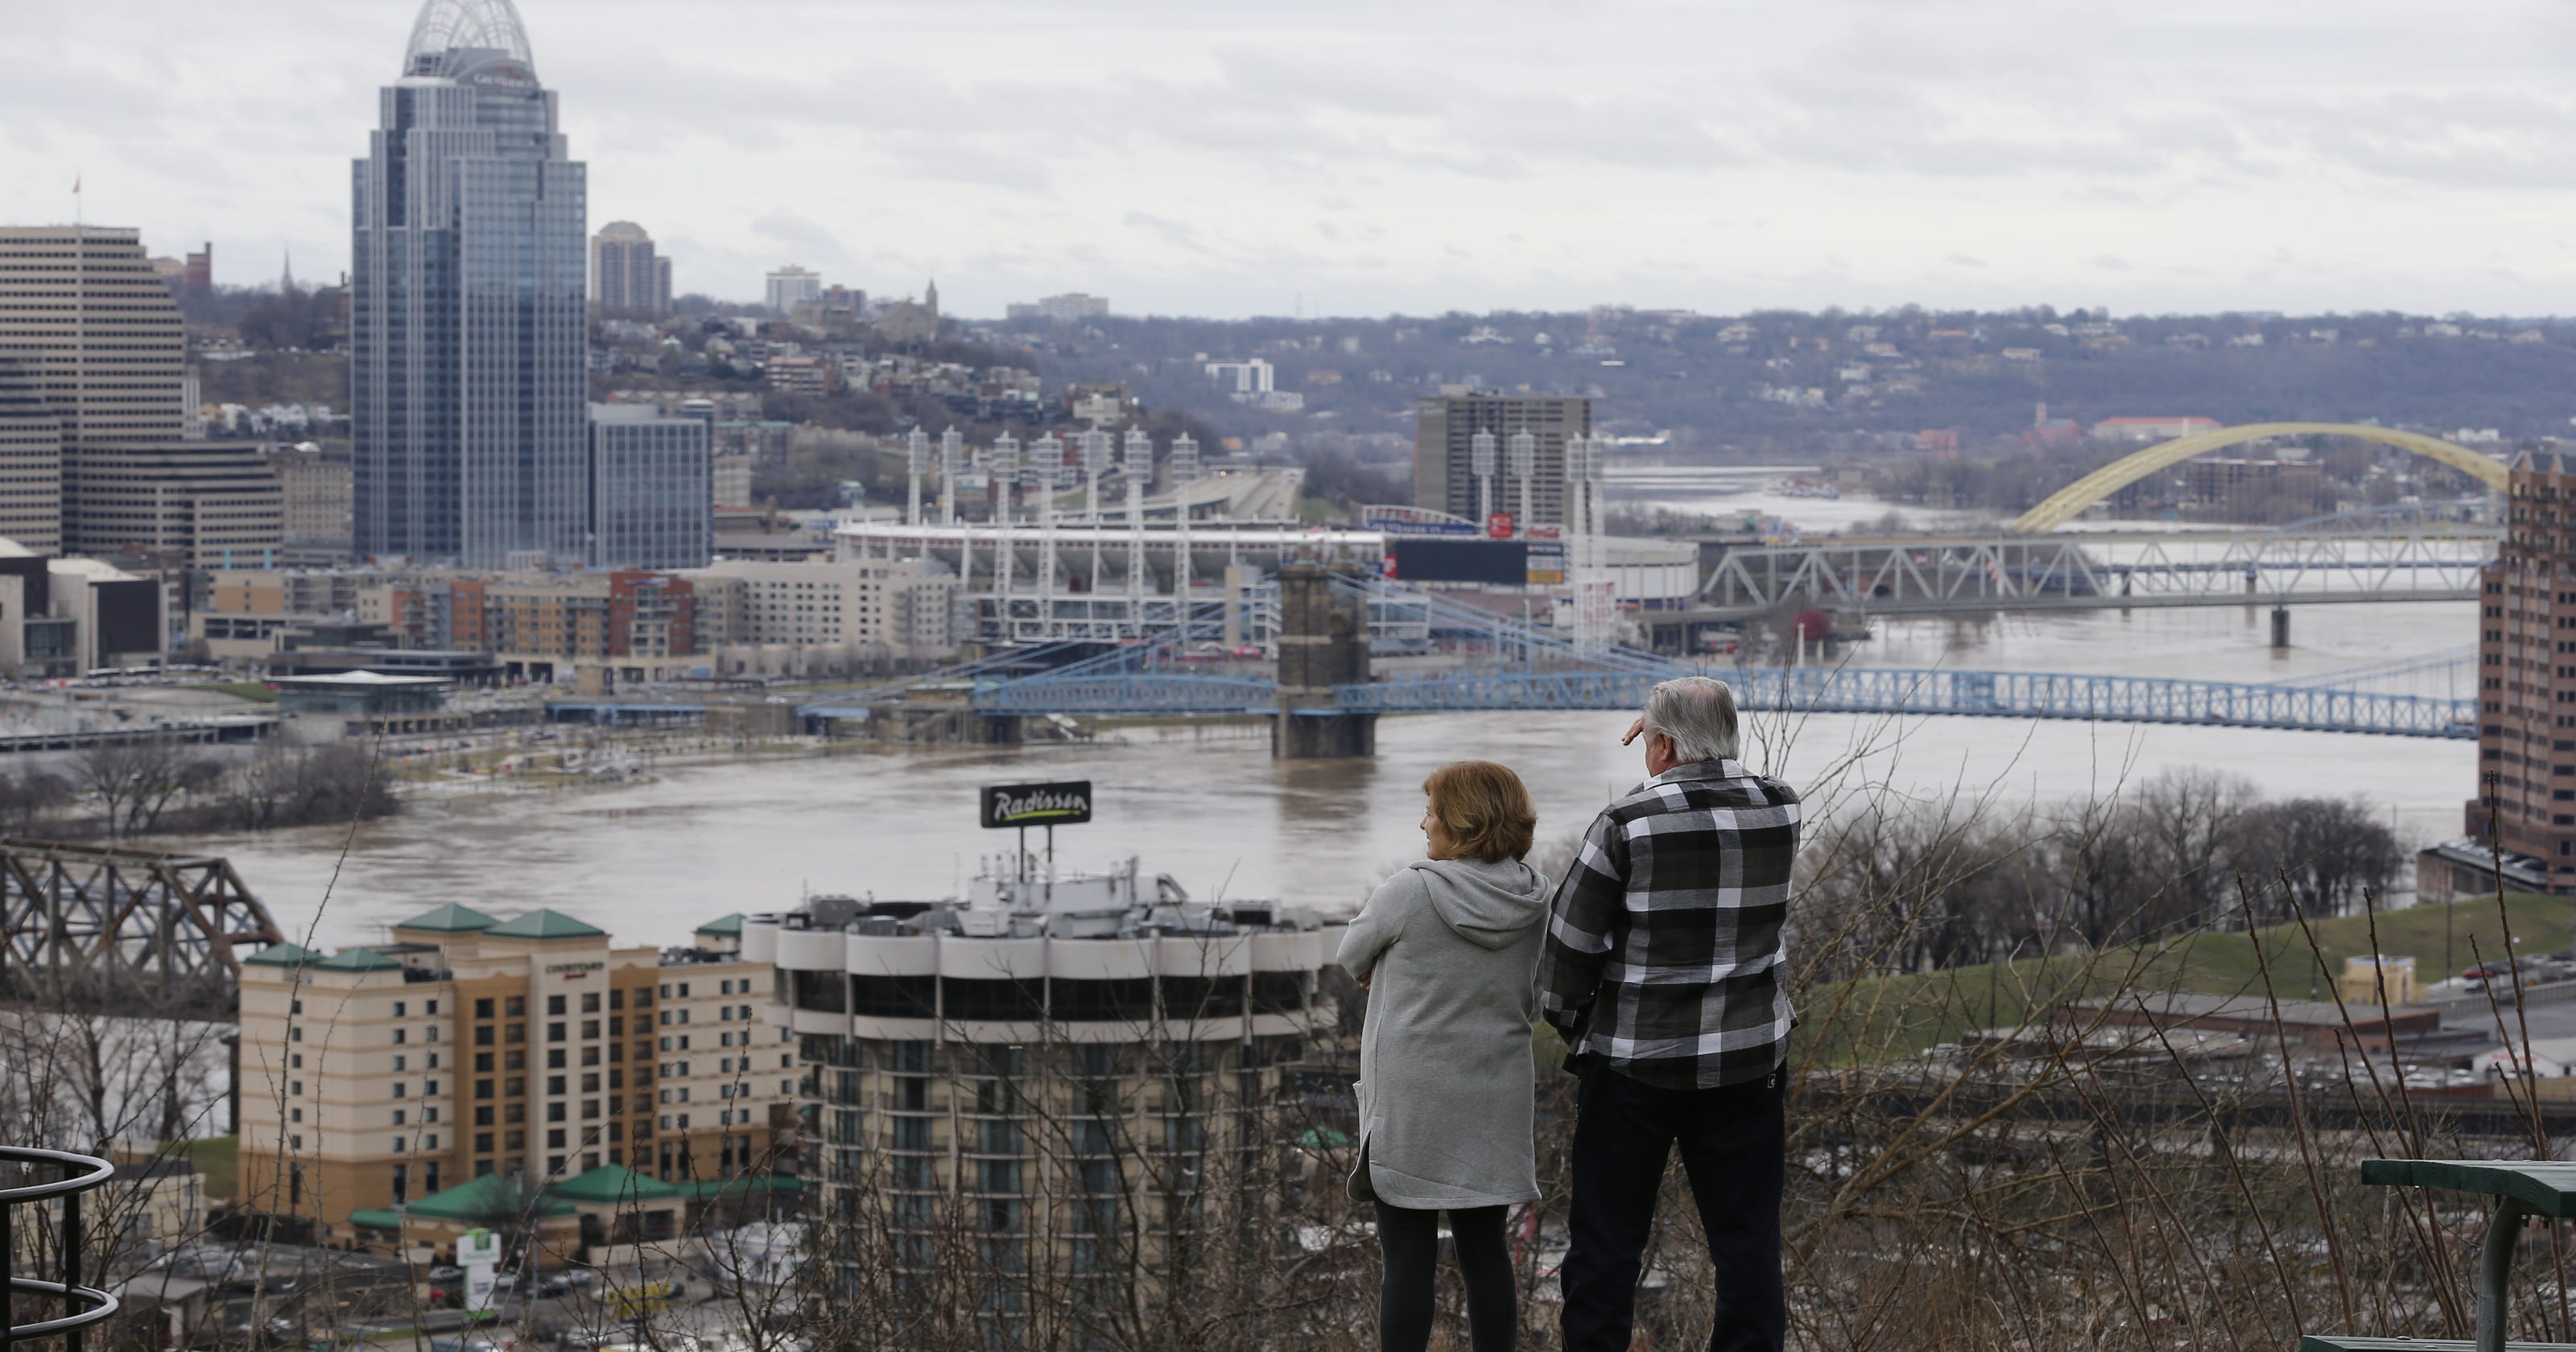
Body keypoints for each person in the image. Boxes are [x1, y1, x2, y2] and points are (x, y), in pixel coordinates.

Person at [1538, 676, 1802, 1352]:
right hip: (1747, 1063)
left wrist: (1580, 1028)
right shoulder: (1781, 809)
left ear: (1657, 745)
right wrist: (1672, 732)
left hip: (1635, 1067)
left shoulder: (1625, 822)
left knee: (1606, 1247)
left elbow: (1567, 949)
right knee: (1747, 1248)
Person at [1335, 760, 1554, 1352]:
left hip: (1414, 1102)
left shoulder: (1411, 889)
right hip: (1494, 1092)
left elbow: (1350, 952)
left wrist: (1381, 968)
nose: (1423, 822)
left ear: (1462, 821)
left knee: (1406, 1260)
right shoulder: (1537, 897)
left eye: (1432, 810)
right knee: (1486, 1256)